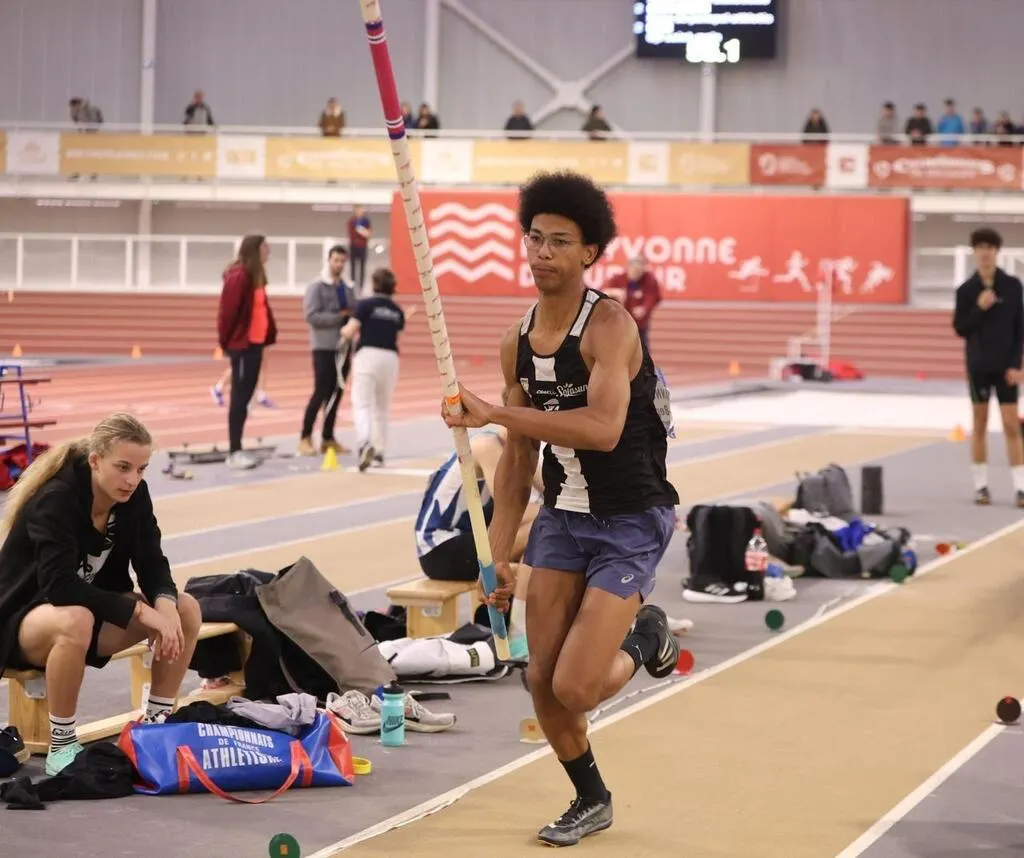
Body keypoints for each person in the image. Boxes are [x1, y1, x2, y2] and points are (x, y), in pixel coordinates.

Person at [442, 170, 680, 847]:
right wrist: (495, 556)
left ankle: (645, 638)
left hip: (631, 518)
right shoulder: (516, 341)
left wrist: (495, 410)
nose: (543, 252)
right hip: (563, 520)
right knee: (540, 684)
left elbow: (603, 428)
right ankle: (591, 798)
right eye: (535, 238)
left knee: (576, 687)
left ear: (589, 254)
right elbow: (516, 458)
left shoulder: (609, 326)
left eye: (561, 242)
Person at [0, 413, 203, 777]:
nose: (132, 480)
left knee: (186, 609)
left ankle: (156, 723)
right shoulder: (56, 499)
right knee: (75, 617)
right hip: (22, 622)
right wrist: (142, 615)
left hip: (90, 616)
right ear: (95, 461)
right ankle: (62, 745)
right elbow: (59, 587)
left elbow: (152, 561)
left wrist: (165, 605)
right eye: (123, 467)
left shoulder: (134, 495)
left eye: (141, 469)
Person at [414, 423, 544, 659]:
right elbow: (513, 508)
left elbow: (552, 492)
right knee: (546, 526)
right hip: (441, 547)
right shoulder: (486, 445)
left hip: (473, 539)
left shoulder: (520, 448)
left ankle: (523, 631)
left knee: (544, 540)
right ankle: (517, 636)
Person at [952, 227, 1024, 507]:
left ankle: (1020, 488)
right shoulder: (966, 291)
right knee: (979, 423)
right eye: (980, 247)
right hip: (978, 366)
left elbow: (1020, 330)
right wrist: (979, 308)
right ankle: (981, 487)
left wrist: (1016, 365)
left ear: (997, 251)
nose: (985, 253)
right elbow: (961, 328)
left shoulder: (1013, 286)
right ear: (974, 252)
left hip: (1007, 367)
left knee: (1011, 425)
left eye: (989, 247)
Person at [342, 268, 415, 472]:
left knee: (362, 403)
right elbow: (398, 327)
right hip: (390, 357)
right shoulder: (396, 310)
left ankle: (365, 442)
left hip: (367, 355)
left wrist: (341, 331)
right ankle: (379, 452)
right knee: (382, 408)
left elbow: (350, 330)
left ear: (374, 284)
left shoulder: (365, 305)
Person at [217, 234, 278, 470]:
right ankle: (234, 451)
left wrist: (269, 335)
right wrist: (227, 343)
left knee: (246, 398)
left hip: (254, 345)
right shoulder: (240, 276)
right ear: (254, 250)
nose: (269, 251)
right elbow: (228, 312)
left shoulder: (256, 277)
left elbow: (262, 310)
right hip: (241, 346)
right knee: (239, 399)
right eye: (265, 247)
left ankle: (238, 447)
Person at [299, 244, 355, 457]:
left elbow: (354, 312)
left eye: (342, 261)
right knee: (321, 392)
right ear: (329, 260)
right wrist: (339, 318)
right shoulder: (317, 286)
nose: (339, 264)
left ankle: (328, 438)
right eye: (336, 260)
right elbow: (311, 316)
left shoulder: (348, 288)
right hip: (323, 346)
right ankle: (305, 437)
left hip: (343, 348)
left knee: (336, 393)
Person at [603, 255, 662, 356]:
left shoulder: (649, 280)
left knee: (642, 349)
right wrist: (615, 292)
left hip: (638, 323)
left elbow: (652, 297)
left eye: (640, 271)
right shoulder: (618, 279)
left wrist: (644, 308)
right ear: (628, 267)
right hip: (618, 322)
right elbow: (603, 292)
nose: (636, 274)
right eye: (634, 270)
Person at [347, 206, 371, 291]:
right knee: (353, 266)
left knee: (362, 267)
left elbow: (369, 233)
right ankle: (352, 285)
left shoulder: (366, 221)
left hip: (362, 247)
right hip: (354, 246)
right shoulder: (352, 221)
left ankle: (361, 286)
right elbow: (350, 233)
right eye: (359, 210)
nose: (361, 211)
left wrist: (362, 231)